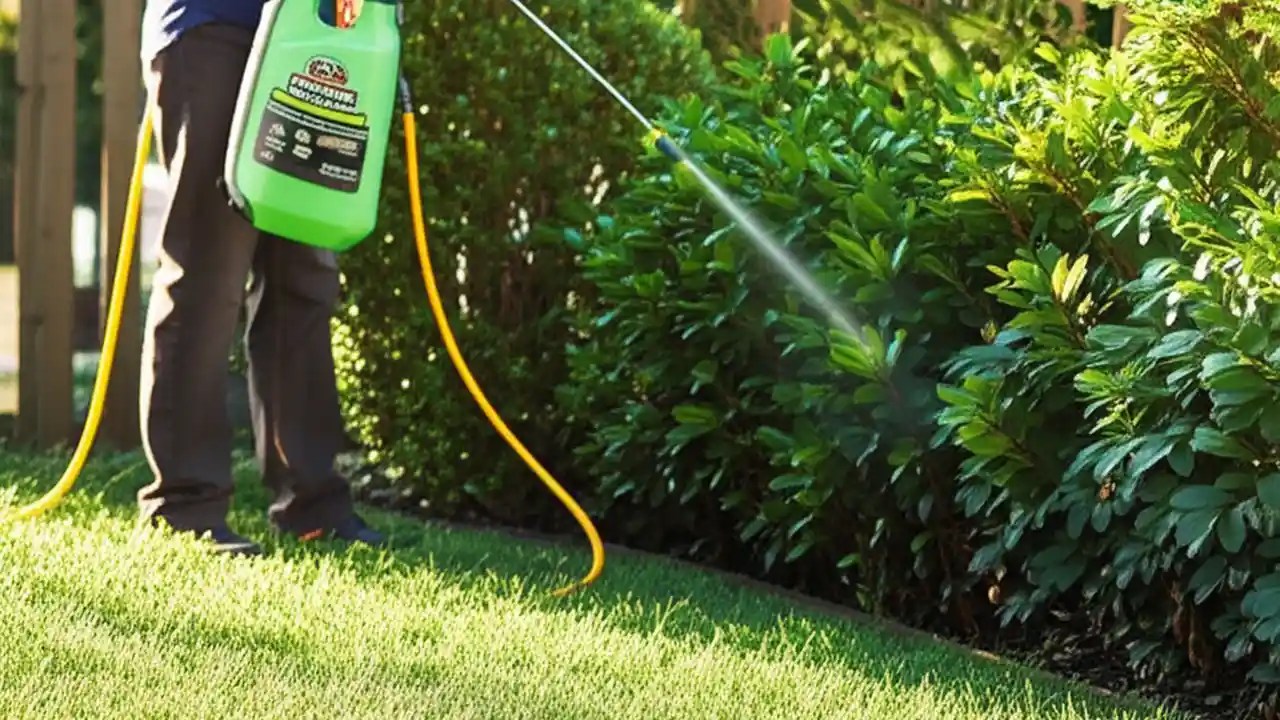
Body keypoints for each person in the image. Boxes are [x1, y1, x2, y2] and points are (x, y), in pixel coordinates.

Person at [137, 0, 384, 555]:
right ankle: (183, 509)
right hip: (215, 27)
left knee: (305, 276)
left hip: (310, 34)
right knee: (208, 272)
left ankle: (312, 505)